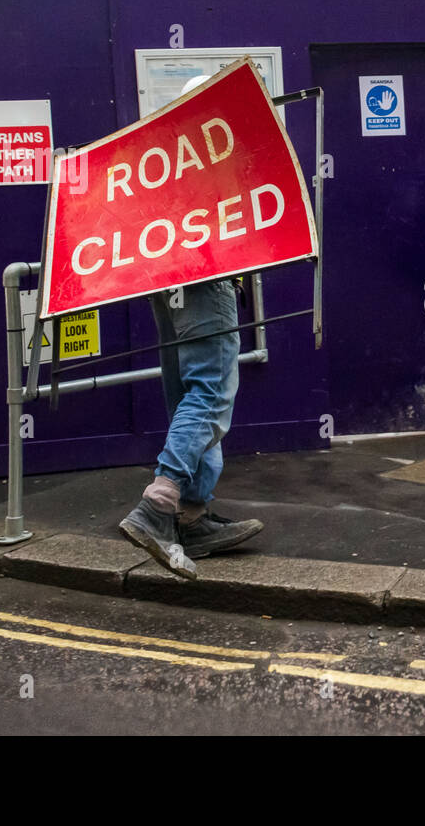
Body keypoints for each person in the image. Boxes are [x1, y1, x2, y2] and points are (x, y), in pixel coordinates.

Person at [118, 75, 264, 580]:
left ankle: (192, 517)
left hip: (170, 281)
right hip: (208, 278)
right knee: (210, 394)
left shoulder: (173, 153)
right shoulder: (219, 149)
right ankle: (160, 503)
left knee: (188, 395)